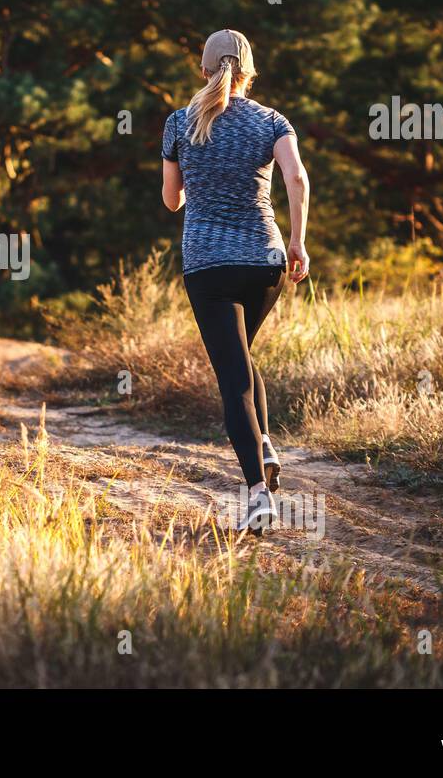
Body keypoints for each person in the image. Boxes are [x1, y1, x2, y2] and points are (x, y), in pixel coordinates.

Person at [160, 29, 310, 535]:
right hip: (265, 260)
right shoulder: (273, 121)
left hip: (208, 264)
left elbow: (171, 199)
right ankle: (264, 441)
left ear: (204, 70)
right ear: (249, 71)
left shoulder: (180, 123)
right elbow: (297, 180)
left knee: (232, 378)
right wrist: (297, 243)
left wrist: (193, 185)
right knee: (241, 358)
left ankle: (257, 495)